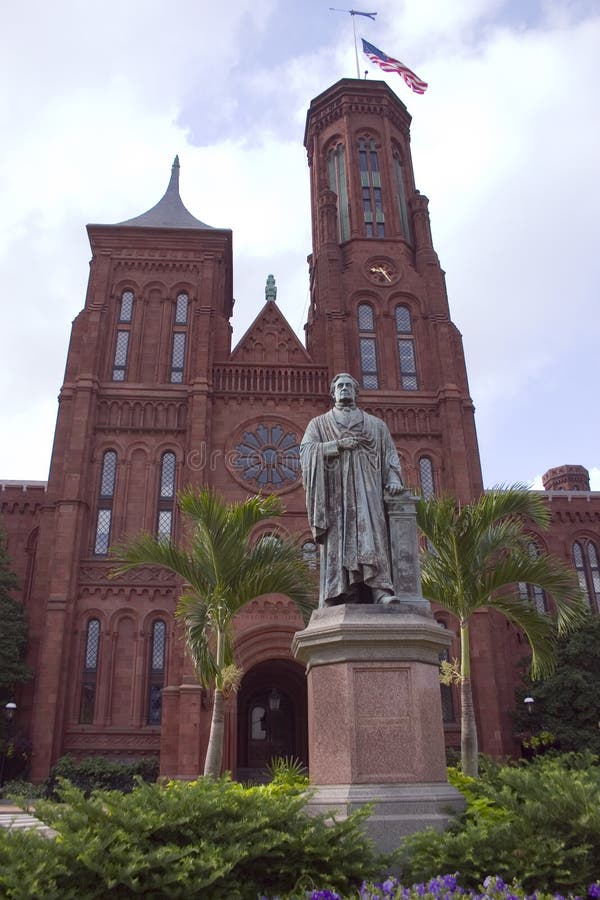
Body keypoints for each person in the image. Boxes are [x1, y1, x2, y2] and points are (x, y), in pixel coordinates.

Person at [300, 373, 404, 606]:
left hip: (368, 493)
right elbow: (306, 452)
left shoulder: (376, 425)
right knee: (337, 540)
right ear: (333, 392)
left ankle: (380, 591)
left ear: (357, 392)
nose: (344, 389)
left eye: (349, 386)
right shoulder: (318, 424)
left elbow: (390, 455)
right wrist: (337, 445)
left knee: (372, 537)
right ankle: (340, 592)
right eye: (340, 386)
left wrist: (394, 479)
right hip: (335, 495)